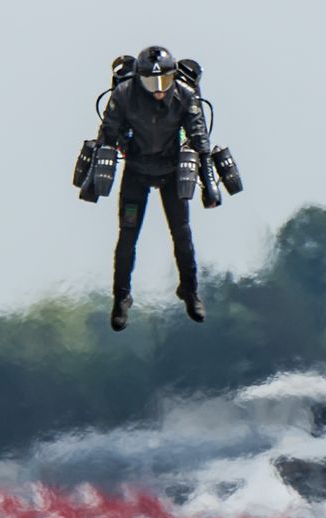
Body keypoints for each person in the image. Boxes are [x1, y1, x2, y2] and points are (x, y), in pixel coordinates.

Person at [97, 45, 219, 331]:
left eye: (164, 81)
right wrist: (96, 175)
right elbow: (107, 135)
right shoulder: (124, 95)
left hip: (172, 172)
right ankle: (121, 298)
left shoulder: (185, 96)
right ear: (139, 79)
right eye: (151, 82)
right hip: (136, 172)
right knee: (127, 237)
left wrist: (209, 184)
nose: (158, 89)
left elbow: (200, 139)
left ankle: (190, 291)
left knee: (182, 235)